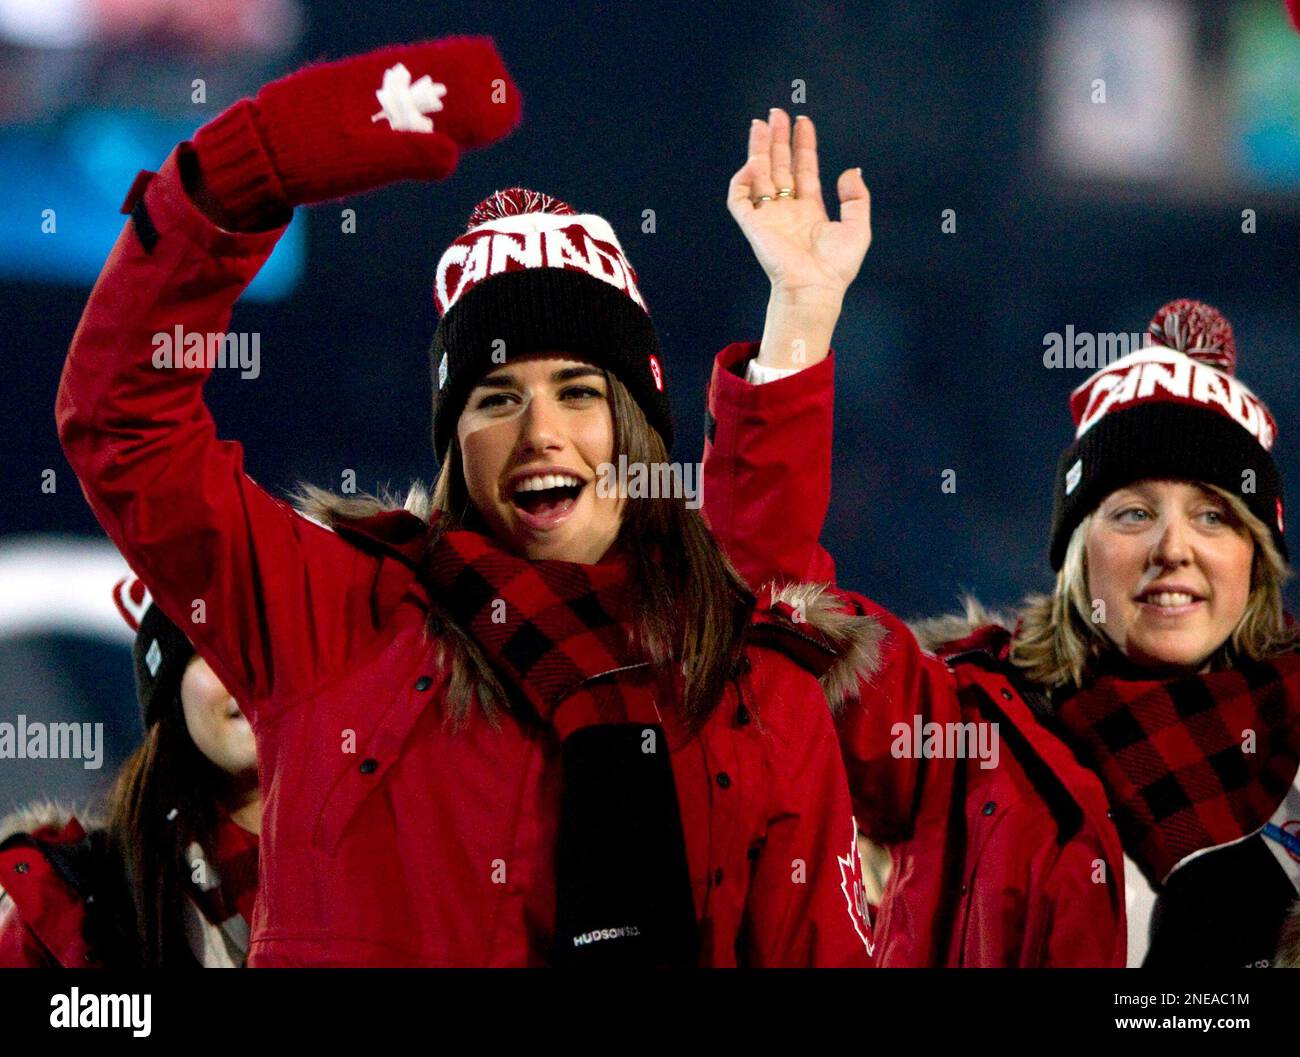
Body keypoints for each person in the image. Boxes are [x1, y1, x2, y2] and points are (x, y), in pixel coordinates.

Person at [55, 38, 878, 967]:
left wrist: (803, 318)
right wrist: (254, 165)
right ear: (453, 441)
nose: (540, 434)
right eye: (495, 399)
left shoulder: (748, 684)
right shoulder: (336, 621)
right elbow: (123, 425)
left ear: (639, 426)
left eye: (579, 389)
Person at [702, 109, 1300, 966]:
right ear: (1072, 556)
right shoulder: (959, 726)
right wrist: (800, 315)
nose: (1175, 545)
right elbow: (769, 600)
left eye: (1214, 515)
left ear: (1257, 557)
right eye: (1132, 512)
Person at [0, 575, 259, 967]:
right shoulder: (68, 909)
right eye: (214, 648)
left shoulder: (382, 858)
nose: (253, 670)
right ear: (170, 700)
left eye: (281, 650)